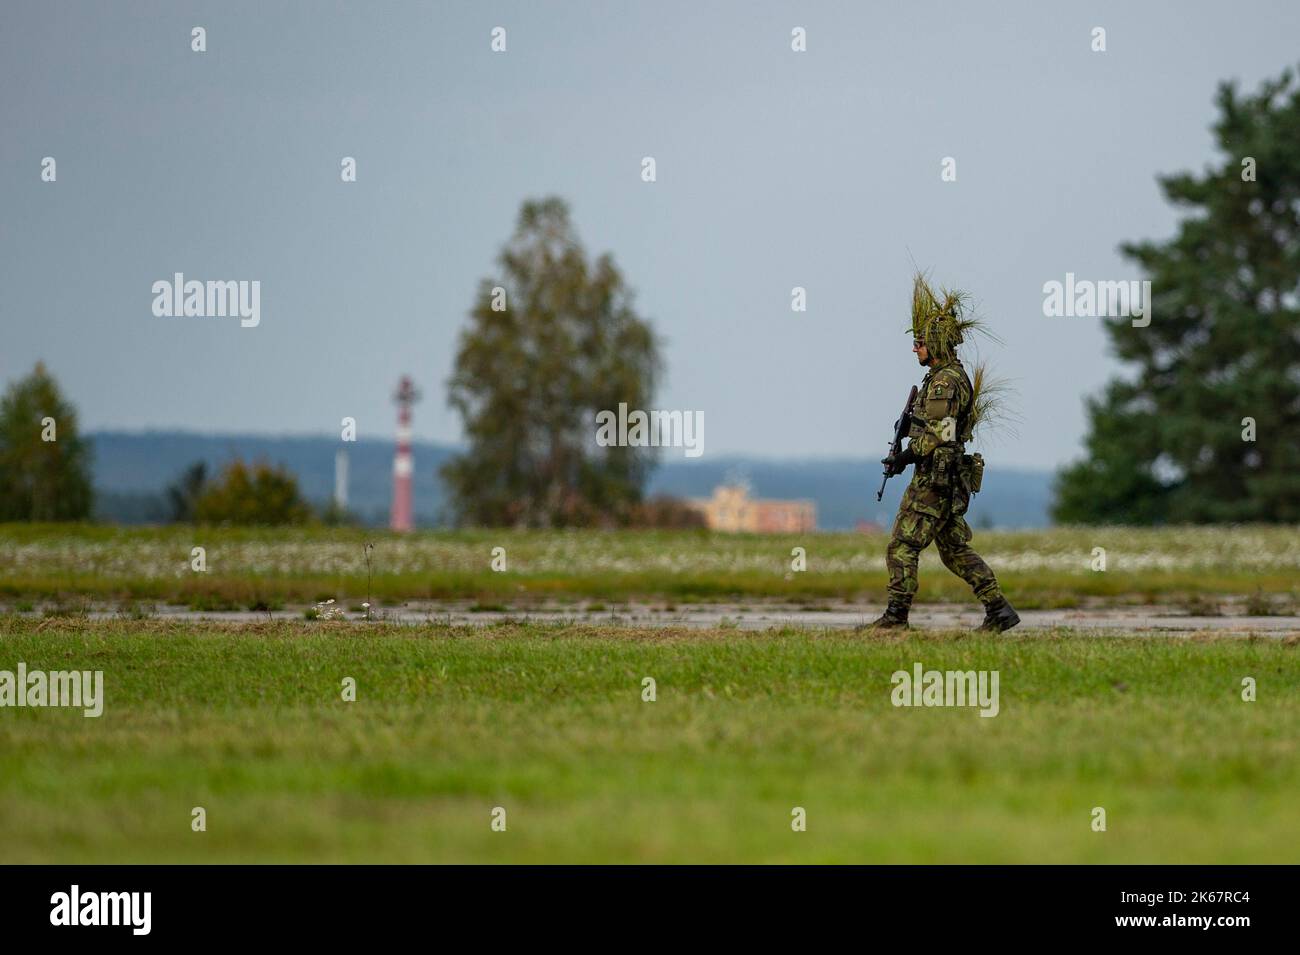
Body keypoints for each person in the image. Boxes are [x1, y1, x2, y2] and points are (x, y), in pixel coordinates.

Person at [867, 275, 1020, 632]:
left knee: (902, 546)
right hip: (944, 477)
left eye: (919, 342)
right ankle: (999, 609)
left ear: (934, 344)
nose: (914, 348)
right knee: (954, 550)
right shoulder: (942, 379)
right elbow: (937, 424)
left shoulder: (944, 381)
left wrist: (907, 454)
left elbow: (944, 430)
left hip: (935, 479)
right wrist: (909, 430)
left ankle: (895, 618)